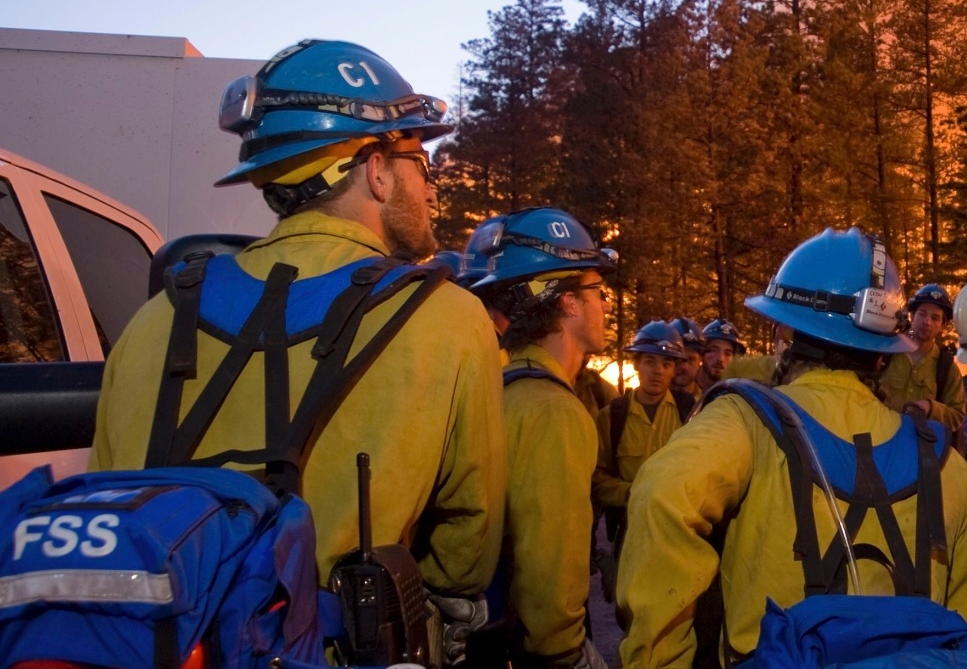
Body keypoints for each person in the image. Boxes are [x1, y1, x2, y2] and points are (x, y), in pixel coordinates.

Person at [88, 39, 506, 640]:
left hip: (155, 645)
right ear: (377, 170)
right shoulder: (446, 315)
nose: (430, 184)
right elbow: (469, 538)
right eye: (420, 157)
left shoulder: (154, 318)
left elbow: (108, 494)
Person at [617, 228, 967, 668]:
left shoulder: (745, 423)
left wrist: (661, 658)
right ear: (883, 353)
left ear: (785, 329)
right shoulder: (947, 465)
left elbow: (661, 492)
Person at [461, 208, 618, 669]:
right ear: (568, 302)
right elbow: (547, 569)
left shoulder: (498, 384)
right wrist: (564, 651)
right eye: (598, 291)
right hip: (534, 647)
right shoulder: (553, 411)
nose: (606, 305)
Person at [595, 320, 694, 538]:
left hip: (677, 531)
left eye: (666, 364)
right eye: (650, 361)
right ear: (636, 364)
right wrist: (631, 493)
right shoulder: (612, 417)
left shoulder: (690, 413)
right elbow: (596, 478)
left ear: (674, 370)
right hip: (628, 532)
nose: (658, 371)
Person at [878, 282, 966, 433]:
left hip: (919, 449)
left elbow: (957, 416)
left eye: (935, 318)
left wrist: (930, 407)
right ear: (912, 315)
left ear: (942, 325)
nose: (927, 322)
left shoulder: (946, 367)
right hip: (879, 438)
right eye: (922, 314)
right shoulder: (887, 351)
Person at [694, 317, 744, 393]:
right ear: (702, 354)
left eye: (727, 354)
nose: (720, 359)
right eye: (713, 350)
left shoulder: (735, 395)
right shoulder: (682, 386)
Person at [668, 316, 705, 411]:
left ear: (699, 361)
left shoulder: (708, 403)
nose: (684, 366)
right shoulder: (651, 402)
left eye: (691, 359)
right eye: (679, 359)